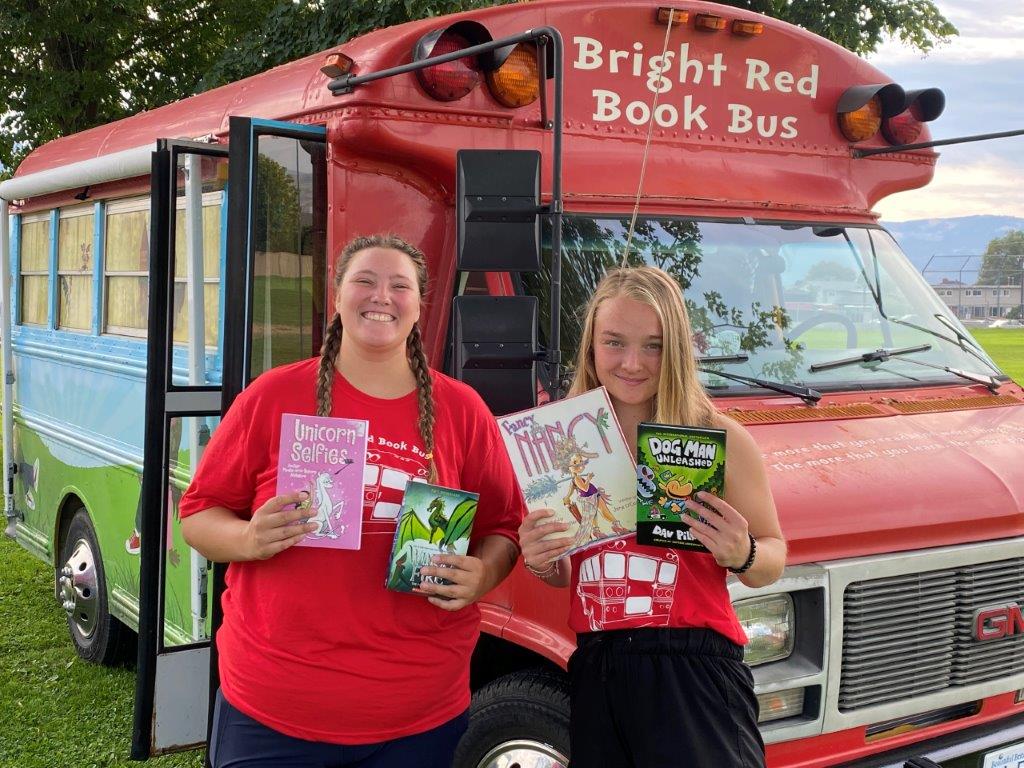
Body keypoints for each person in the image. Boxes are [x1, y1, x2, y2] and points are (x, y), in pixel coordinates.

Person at [179, 234, 525, 768]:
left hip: (418, 720)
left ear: (419, 306)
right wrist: (248, 538)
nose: (380, 296)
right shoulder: (272, 395)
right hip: (272, 714)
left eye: (399, 285)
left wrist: (483, 574)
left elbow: (504, 525)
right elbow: (199, 515)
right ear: (336, 295)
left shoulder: (463, 411)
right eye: (364, 280)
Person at [518, 266, 786, 768]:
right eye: (615, 342)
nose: (633, 363)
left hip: (692, 667)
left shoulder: (715, 435)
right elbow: (567, 572)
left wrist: (743, 552)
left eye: (655, 346)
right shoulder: (563, 440)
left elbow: (774, 556)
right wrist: (541, 558)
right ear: (592, 347)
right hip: (597, 666)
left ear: (678, 350)